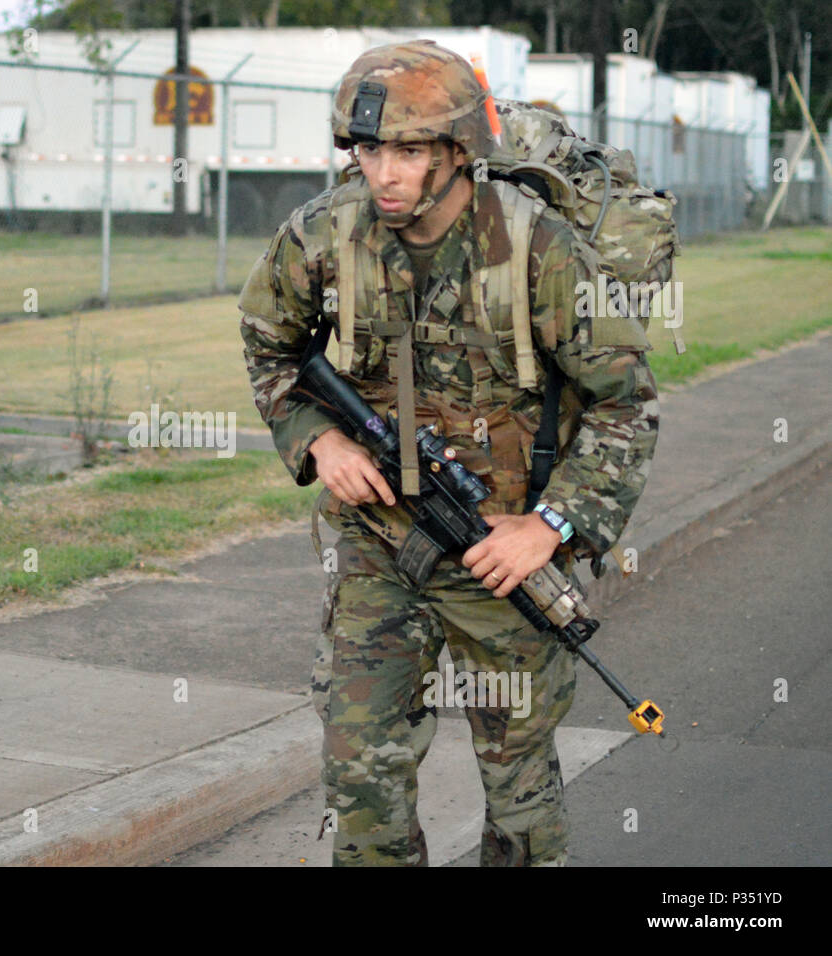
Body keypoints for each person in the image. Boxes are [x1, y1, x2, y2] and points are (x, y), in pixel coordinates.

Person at [237, 40, 660, 866]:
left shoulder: (538, 251)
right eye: (367, 150)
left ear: (459, 149)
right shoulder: (324, 234)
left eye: (408, 150)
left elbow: (626, 403)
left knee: (521, 794)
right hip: (377, 543)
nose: (383, 173)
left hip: (500, 550)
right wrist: (318, 439)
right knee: (360, 778)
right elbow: (269, 346)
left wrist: (552, 527)